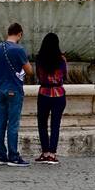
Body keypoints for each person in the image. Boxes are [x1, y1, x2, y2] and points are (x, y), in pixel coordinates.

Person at [0, 22, 34, 167]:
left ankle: (1, 156)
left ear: (8, 32)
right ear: (19, 34)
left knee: (1, 123)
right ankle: (14, 157)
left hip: (1, 89)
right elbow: (29, 71)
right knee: (13, 124)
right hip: (14, 90)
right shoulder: (19, 50)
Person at [34, 32, 67, 164]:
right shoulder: (61, 60)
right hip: (59, 93)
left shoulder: (39, 59)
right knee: (55, 125)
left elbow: (38, 75)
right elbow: (65, 76)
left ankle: (45, 152)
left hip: (44, 93)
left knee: (42, 124)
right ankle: (52, 154)